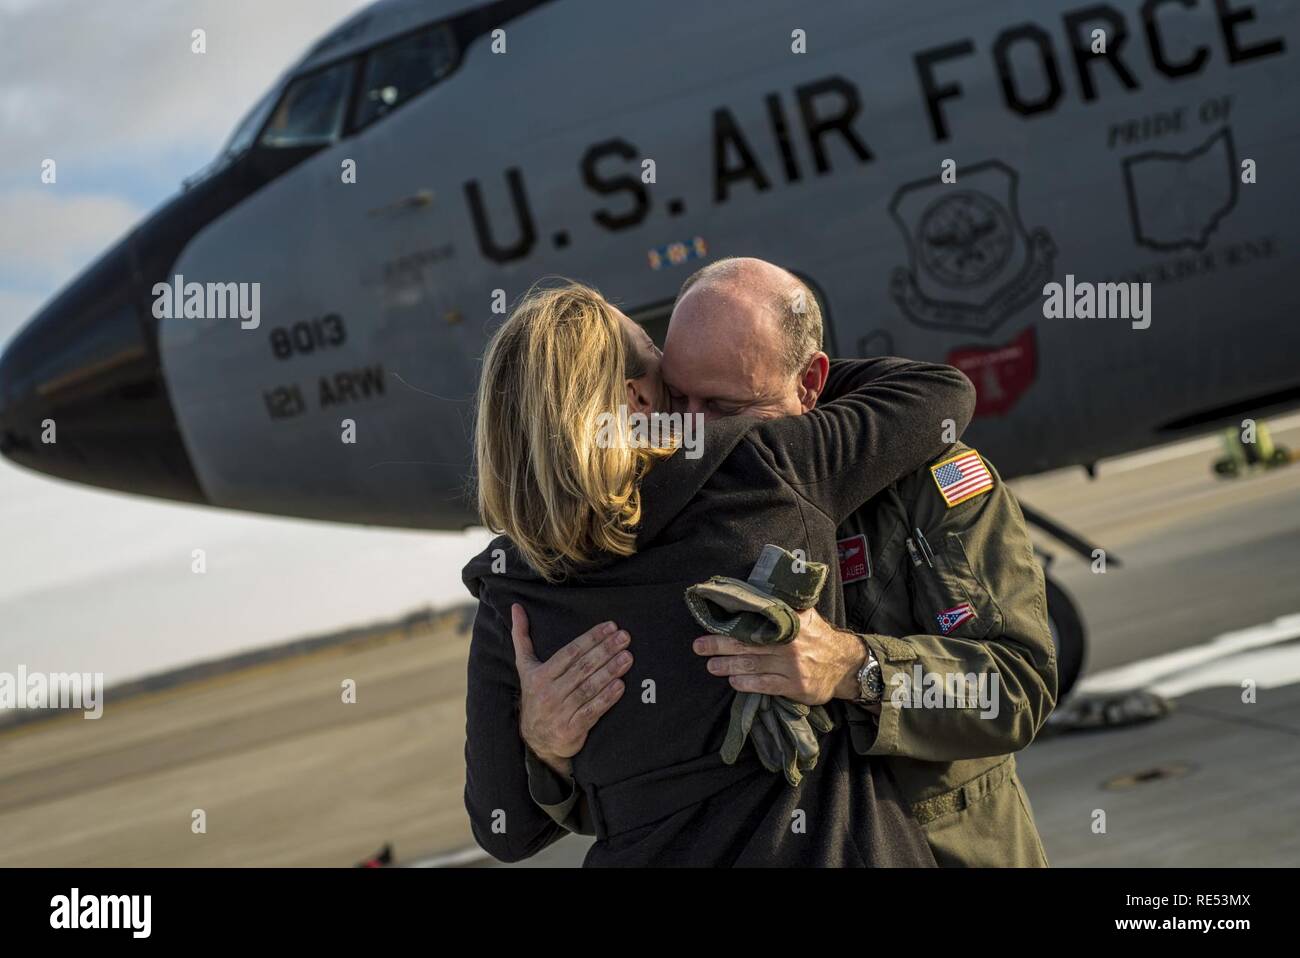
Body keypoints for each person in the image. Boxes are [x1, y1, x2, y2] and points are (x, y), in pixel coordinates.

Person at [517, 258, 1058, 866]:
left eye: (724, 407)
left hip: (948, 849)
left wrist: (859, 669)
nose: (694, 435)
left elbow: (1013, 690)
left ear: (808, 385)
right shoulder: (654, 526)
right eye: (677, 399)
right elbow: (647, 787)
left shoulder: (923, 482)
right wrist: (546, 747)